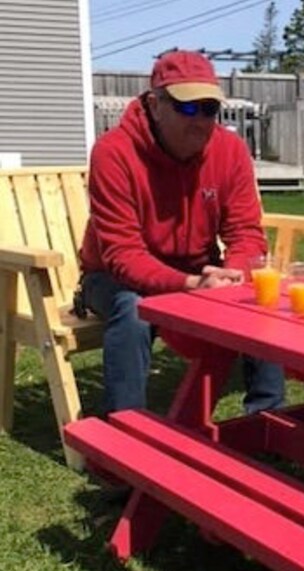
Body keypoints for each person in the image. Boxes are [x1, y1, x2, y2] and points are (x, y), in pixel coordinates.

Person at [79, 50, 284, 415]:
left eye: (210, 109)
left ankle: (270, 418)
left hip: (200, 267)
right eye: (188, 108)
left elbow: (245, 233)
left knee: (259, 289)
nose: (201, 120)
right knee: (132, 307)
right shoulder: (113, 153)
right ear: (155, 105)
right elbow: (123, 256)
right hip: (112, 276)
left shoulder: (230, 150)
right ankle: (124, 429)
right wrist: (191, 285)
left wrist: (235, 272)